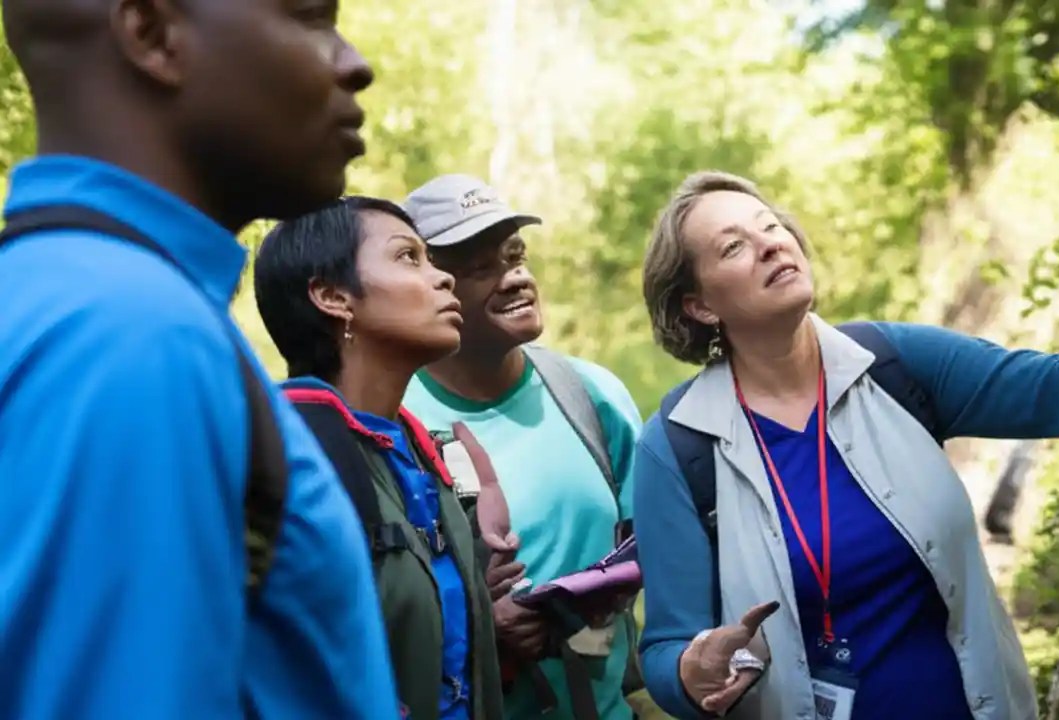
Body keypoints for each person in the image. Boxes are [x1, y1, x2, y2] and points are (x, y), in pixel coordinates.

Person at [632, 170, 1059, 720]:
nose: (770, 246)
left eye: (771, 226)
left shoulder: (896, 365)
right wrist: (691, 671)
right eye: (733, 247)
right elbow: (663, 648)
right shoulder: (680, 444)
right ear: (701, 306)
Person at [0, 2, 396, 719]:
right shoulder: (134, 335)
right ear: (152, 34)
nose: (352, 62)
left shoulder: (59, 296)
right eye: (311, 18)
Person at [254, 196, 511, 720]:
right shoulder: (284, 458)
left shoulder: (421, 455)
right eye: (408, 258)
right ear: (332, 296)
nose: (442, 279)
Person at [400, 174, 645, 720]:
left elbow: (651, 547)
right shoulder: (397, 420)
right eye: (481, 268)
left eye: (515, 256)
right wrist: (480, 624)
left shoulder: (590, 394)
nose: (515, 279)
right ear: (432, 285)